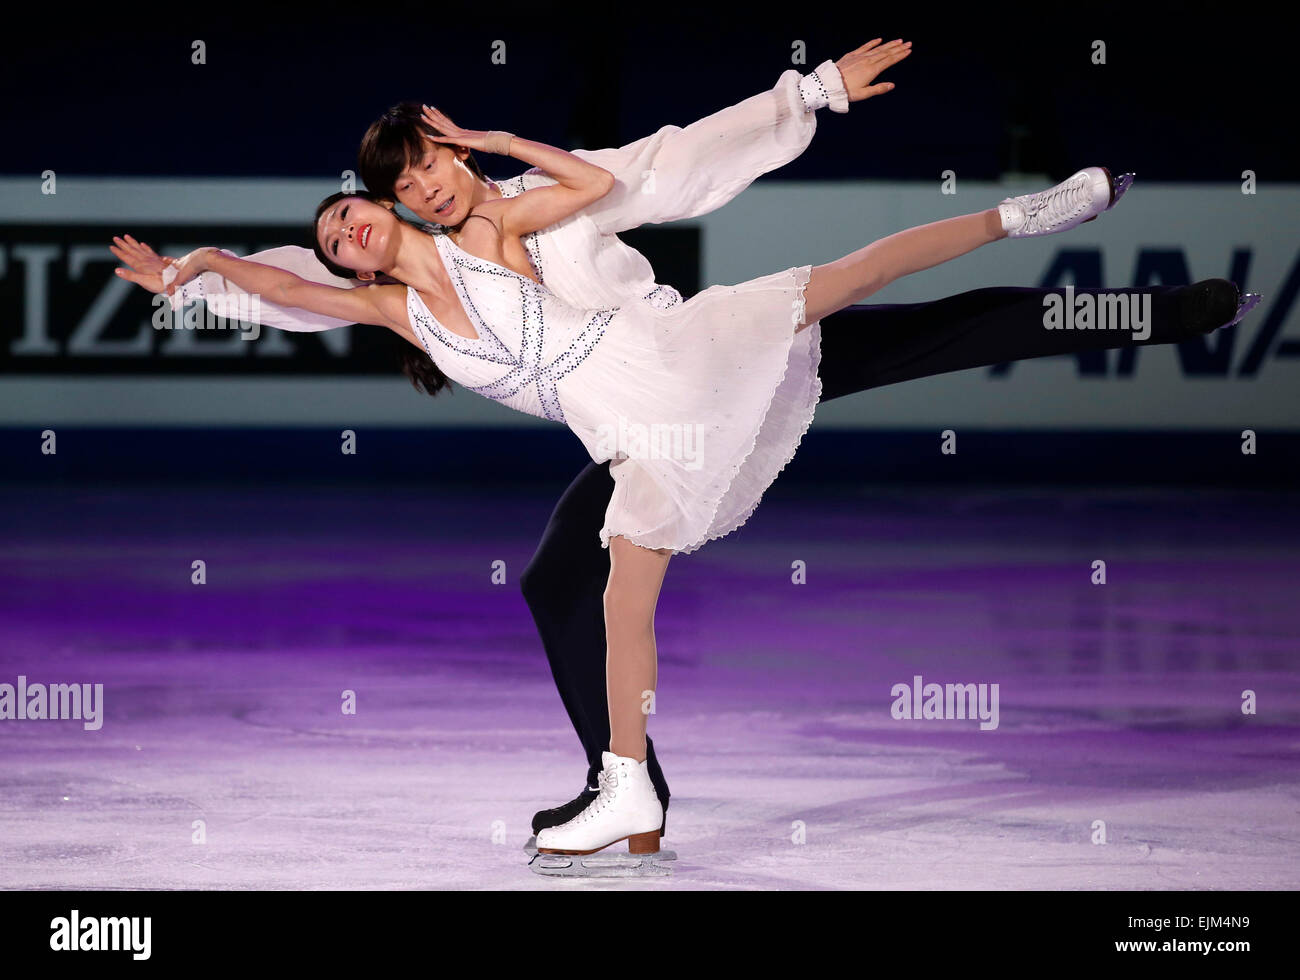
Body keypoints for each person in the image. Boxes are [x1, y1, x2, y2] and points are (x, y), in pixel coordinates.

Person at [111, 40, 1256, 859]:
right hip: (635, 426)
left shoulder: (517, 206)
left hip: (693, 359)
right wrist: (191, 273)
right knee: (562, 578)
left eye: (427, 165)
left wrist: (802, 95)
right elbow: (293, 281)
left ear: (449, 158)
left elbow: (660, 167)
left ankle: (1145, 304)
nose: (418, 185)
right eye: (398, 181)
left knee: (933, 329)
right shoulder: (395, 291)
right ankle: (628, 784)